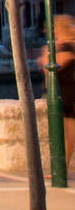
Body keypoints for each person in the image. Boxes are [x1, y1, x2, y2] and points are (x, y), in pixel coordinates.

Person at [41, 15, 75, 168]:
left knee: (68, 135)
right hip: (61, 94)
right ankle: (61, 168)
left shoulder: (67, 46)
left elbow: (54, 64)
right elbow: (46, 67)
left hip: (69, 94)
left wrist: (48, 53)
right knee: (62, 134)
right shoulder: (58, 46)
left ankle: (62, 169)